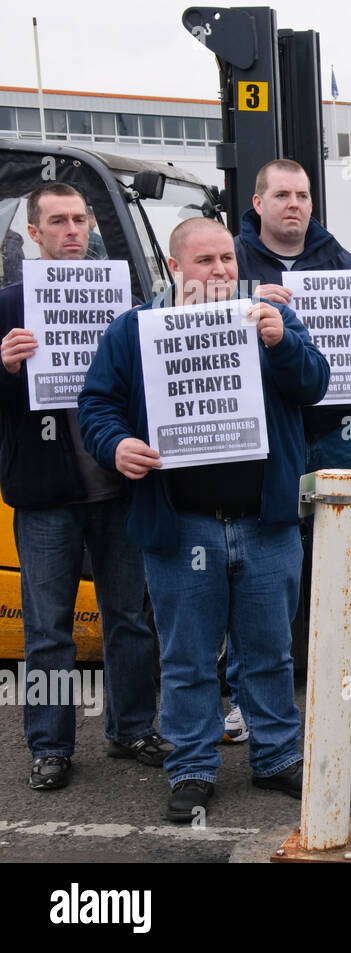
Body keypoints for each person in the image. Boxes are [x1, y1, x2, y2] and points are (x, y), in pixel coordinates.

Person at [79, 216, 329, 821]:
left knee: (270, 650)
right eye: (206, 261)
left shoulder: (266, 318)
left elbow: (317, 385)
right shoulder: (133, 330)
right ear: (175, 268)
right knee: (187, 657)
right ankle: (190, 767)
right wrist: (115, 445)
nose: (221, 271)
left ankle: (275, 758)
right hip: (181, 524)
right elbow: (96, 404)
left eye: (228, 259)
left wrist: (283, 342)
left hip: (264, 522)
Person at [228, 158, 351, 735]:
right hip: (262, 440)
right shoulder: (233, 261)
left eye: (302, 195)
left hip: (332, 435)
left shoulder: (339, 261)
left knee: (344, 561)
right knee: (254, 568)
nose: (294, 205)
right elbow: (193, 327)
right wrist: (246, 301)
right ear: (258, 203)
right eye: (281, 195)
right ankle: (241, 696)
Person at [0, 182, 167, 791]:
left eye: (79, 220)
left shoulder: (124, 304)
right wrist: (5, 365)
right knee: (48, 629)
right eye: (58, 222)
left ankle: (131, 728)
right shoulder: (8, 306)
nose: (72, 231)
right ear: (34, 233)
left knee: (129, 617)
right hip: (46, 498)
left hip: (119, 491)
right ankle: (50, 745)